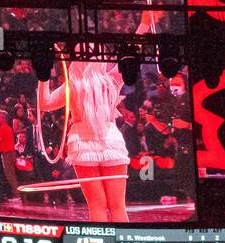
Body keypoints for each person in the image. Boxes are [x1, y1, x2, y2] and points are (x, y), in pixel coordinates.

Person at [37, 11, 160, 222]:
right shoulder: (110, 80)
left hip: (84, 142)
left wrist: (43, 75)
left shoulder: (73, 86)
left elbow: (44, 103)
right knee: (118, 207)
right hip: (108, 139)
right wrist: (143, 26)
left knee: (97, 206)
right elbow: (131, 54)